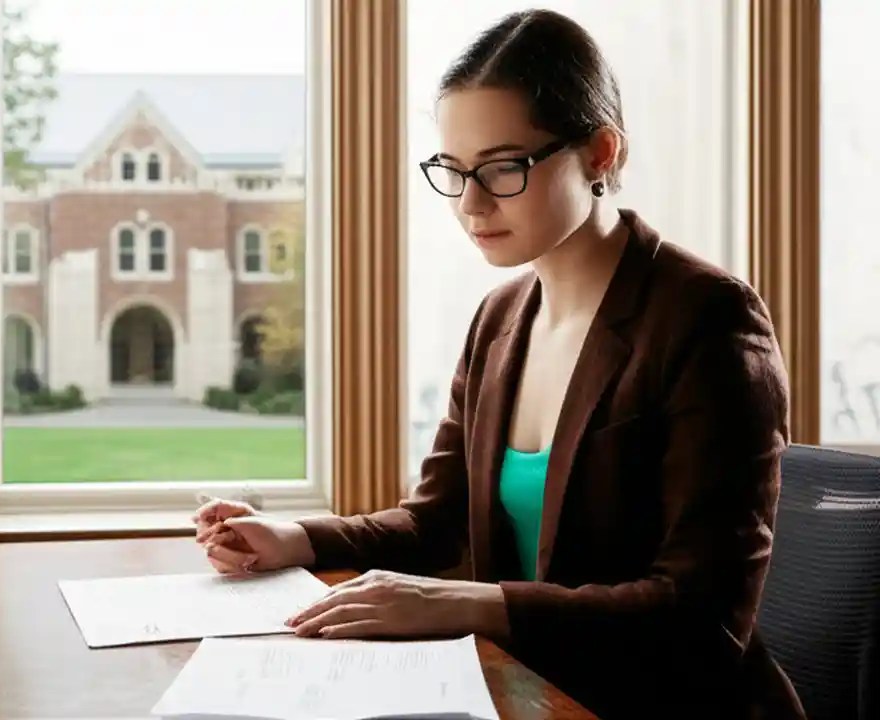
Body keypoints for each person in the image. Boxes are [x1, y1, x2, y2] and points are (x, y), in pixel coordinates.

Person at [191, 9, 806, 720]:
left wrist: (462, 603)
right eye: (453, 171)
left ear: (601, 152)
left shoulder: (705, 317)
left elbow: (699, 617)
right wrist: (294, 537)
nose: (471, 204)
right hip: (532, 694)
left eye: (503, 167)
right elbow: (436, 522)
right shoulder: (500, 317)